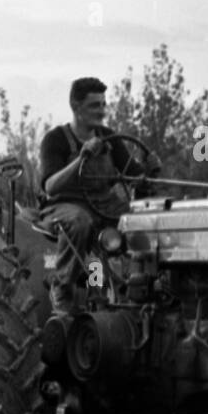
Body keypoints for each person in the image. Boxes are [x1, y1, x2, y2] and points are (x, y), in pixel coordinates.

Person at [36, 77, 159, 314]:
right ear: (75, 106)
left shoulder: (109, 139)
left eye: (103, 105)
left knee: (141, 220)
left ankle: (135, 286)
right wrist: (82, 158)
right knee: (81, 222)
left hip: (104, 204)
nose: (102, 112)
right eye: (94, 106)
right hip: (63, 205)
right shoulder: (56, 140)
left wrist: (149, 169)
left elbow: (133, 175)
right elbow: (50, 186)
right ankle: (62, 286)